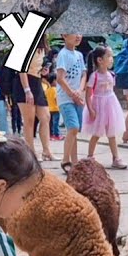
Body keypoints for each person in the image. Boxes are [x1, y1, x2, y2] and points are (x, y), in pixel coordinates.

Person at [82, 46, 128, 169]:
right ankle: (90, 157)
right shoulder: (94, 76)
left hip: (110, 106)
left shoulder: (111, 74)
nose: (111, 59)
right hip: (98, 106)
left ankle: (116, 158)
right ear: (99, 60)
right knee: (96, 133)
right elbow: (88, 94)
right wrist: (91, 109)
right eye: (108, 56)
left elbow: (111, 91)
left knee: (111, 133)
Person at [12, 46, 53, 161]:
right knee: (29, 120)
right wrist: (27, 90)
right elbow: (21, 69)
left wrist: (43, 70)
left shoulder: (42, 48)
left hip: (37, 80)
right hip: (24, 83)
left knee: (45, 117)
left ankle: (47, 150)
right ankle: (31, 152)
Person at [55, 34, 87, 172]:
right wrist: (72, 94)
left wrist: (80, 90)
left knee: (74, 131)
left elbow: (84, 74)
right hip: (65, 98)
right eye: (75, 33)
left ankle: (75, 161)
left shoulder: (79, 55)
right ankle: (65, 159)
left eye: (80, 33)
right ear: (64, 35)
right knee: (73, 127)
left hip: (77, 97)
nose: (78, 36)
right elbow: (60, 79)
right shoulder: (63, 54)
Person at [44, 71, 62, 141]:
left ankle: (50, 135)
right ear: (54, 81)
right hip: (56, 108)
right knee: (56, 123)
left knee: (50, 123)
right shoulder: (55, 90)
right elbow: (56, 99)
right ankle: (56, 135)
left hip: (49, 109)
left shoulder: (47, 90)